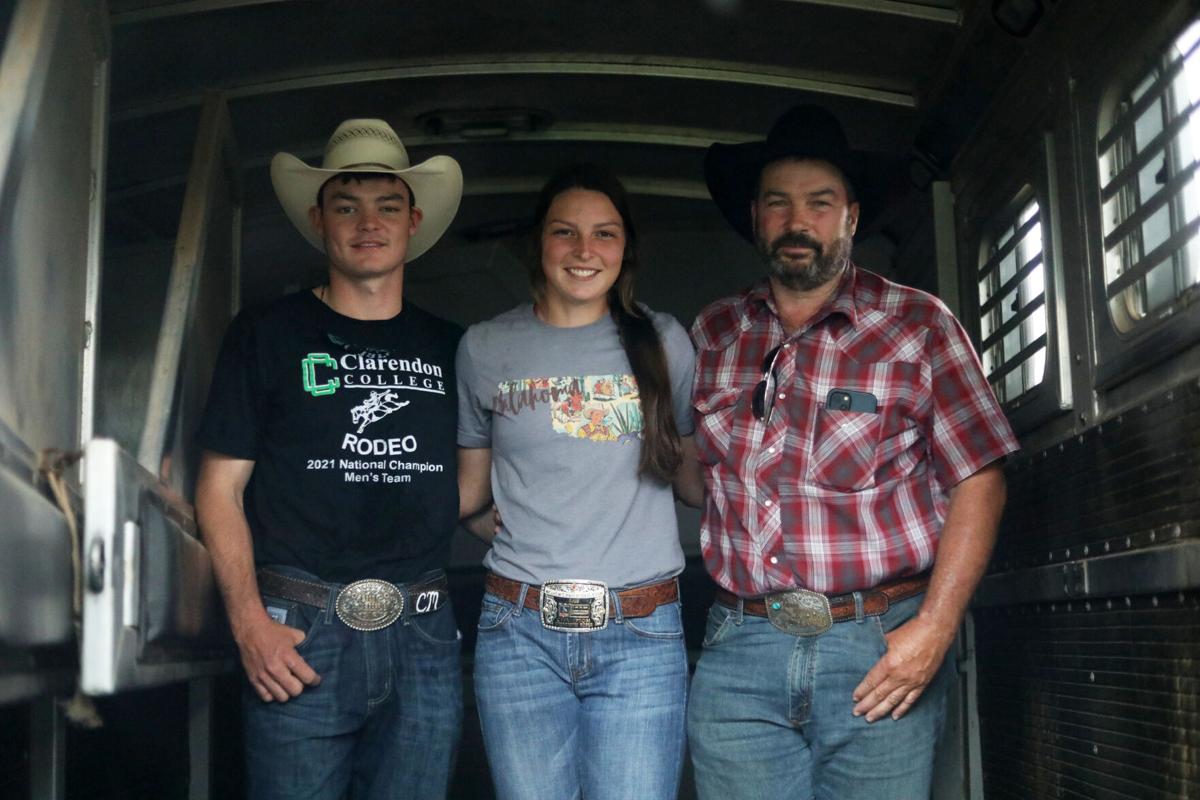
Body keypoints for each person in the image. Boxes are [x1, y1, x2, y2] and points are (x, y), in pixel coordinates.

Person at [685, 104, 1021, 799]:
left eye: (819, 202)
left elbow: (980, 481)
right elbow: (689, 473)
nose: (797, 221)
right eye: (778, 203)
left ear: (852, 217)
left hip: (877, 646)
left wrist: (935, 627)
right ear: (755, 217)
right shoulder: (714, 332)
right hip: (740, 649)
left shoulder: (919, 325)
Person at [194, 118, 465, 800]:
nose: (367, 222)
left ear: (414, 220)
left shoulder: (455, 347)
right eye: (346, 205)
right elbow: (218, 490)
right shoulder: (266, 333)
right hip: (298, 633)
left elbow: (475, 484)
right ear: (319, 220)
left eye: (387, 205)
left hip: (424, 636)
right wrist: (250, 624)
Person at [456, 163, 702, 800]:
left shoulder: (665, 340)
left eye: (605, 234)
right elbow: (470, 493)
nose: (585, 251)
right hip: (518, 629)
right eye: (566, 233)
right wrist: (484, 519)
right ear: (539, 242)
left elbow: (693, 481)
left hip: (641, 628)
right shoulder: (485, 347)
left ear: (626, 249)